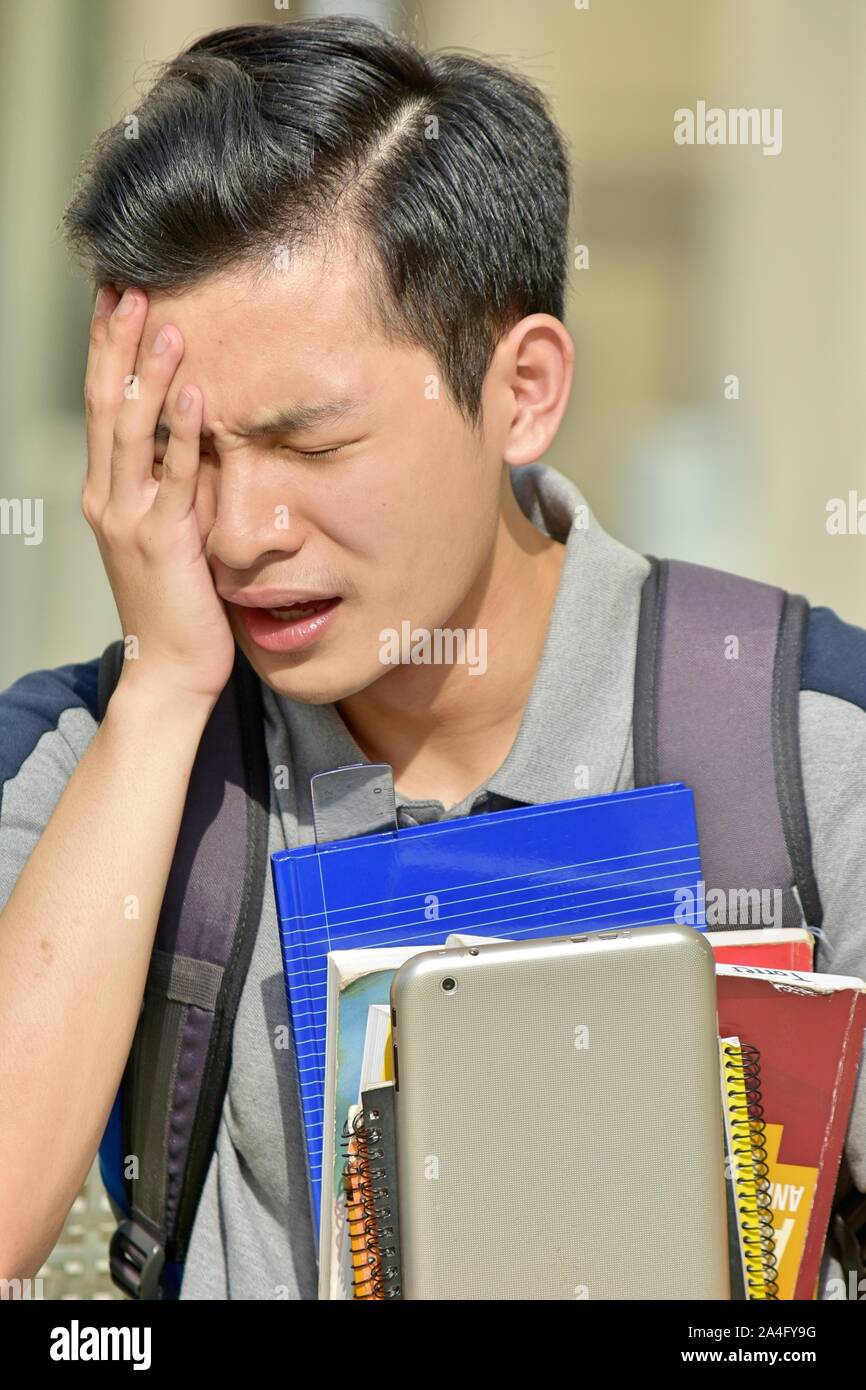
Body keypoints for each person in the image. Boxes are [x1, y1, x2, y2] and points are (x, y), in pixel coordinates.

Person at [1, 15, 864, 1301]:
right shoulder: (92, 757)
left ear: (519, 390)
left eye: (311, 445)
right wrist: (166, 692)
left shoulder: (806, 744)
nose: (242, 533)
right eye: (191, 454)